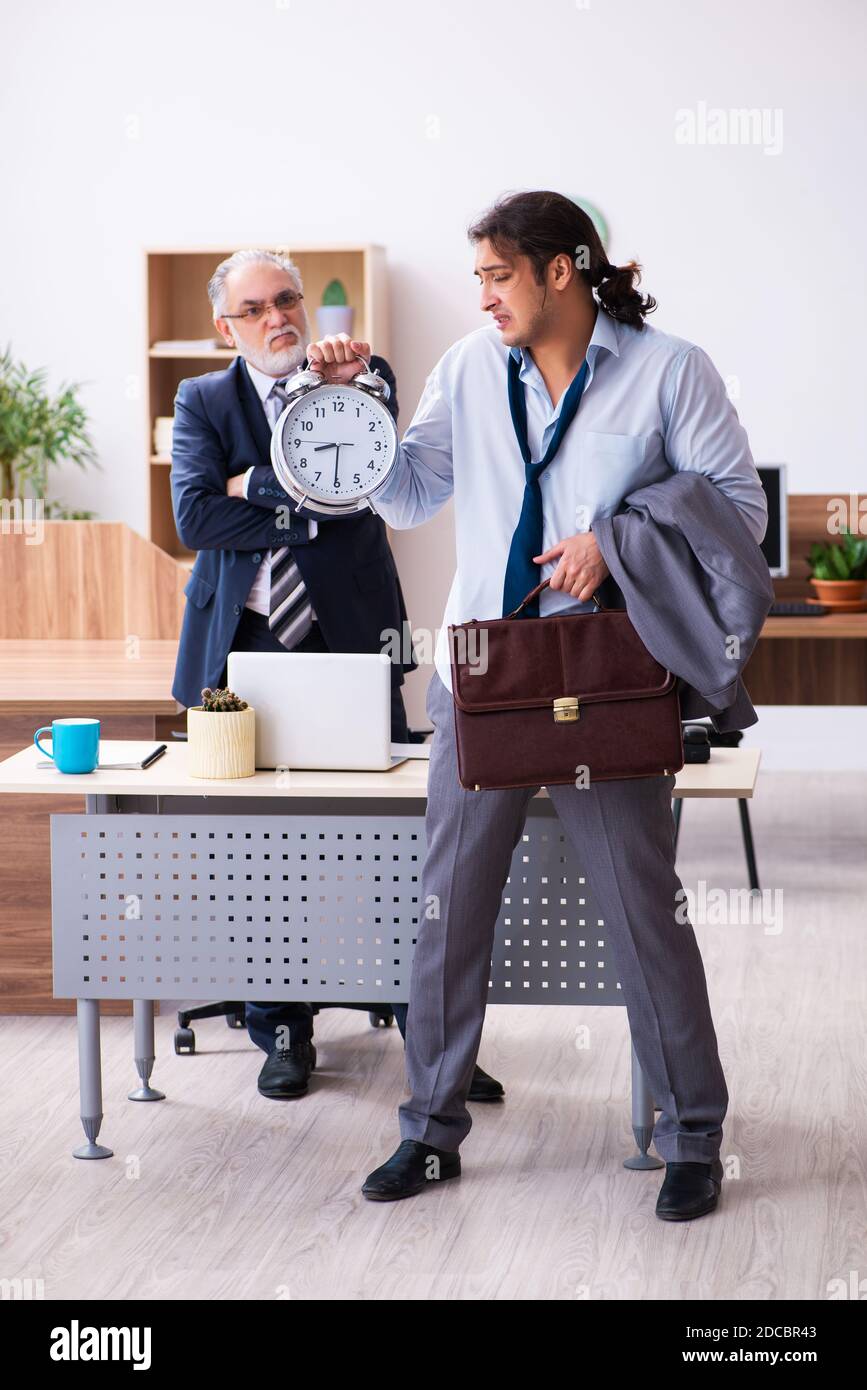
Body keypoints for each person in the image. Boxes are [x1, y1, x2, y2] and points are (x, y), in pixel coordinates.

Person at [305, 191, 767, 1220]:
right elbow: (413, 491)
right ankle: (429, 1130)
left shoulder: (668, 370)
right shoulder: (470, 369)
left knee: (644, 914)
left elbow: (741, 513)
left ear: (562, 269)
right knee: (446, 914)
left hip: (606, 671)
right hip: (481, 666)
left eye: (498, 276)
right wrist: (353, 410)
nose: (483, 298)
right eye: (477, 278)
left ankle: (692, 1135)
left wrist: (621, 535)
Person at [170, 248, 504, 1106]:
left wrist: (261, 481)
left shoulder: (361, 374)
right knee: (256, 849)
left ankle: (423, 1027)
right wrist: (301, 493)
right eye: (256, 308)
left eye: (288, 299)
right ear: (227, 326)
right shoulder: (203, 400)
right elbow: (196, 515)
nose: (280, 316)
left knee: (391, 839)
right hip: (243, 646)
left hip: (352, 636)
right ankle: (280, 1025)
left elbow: (367, 486)